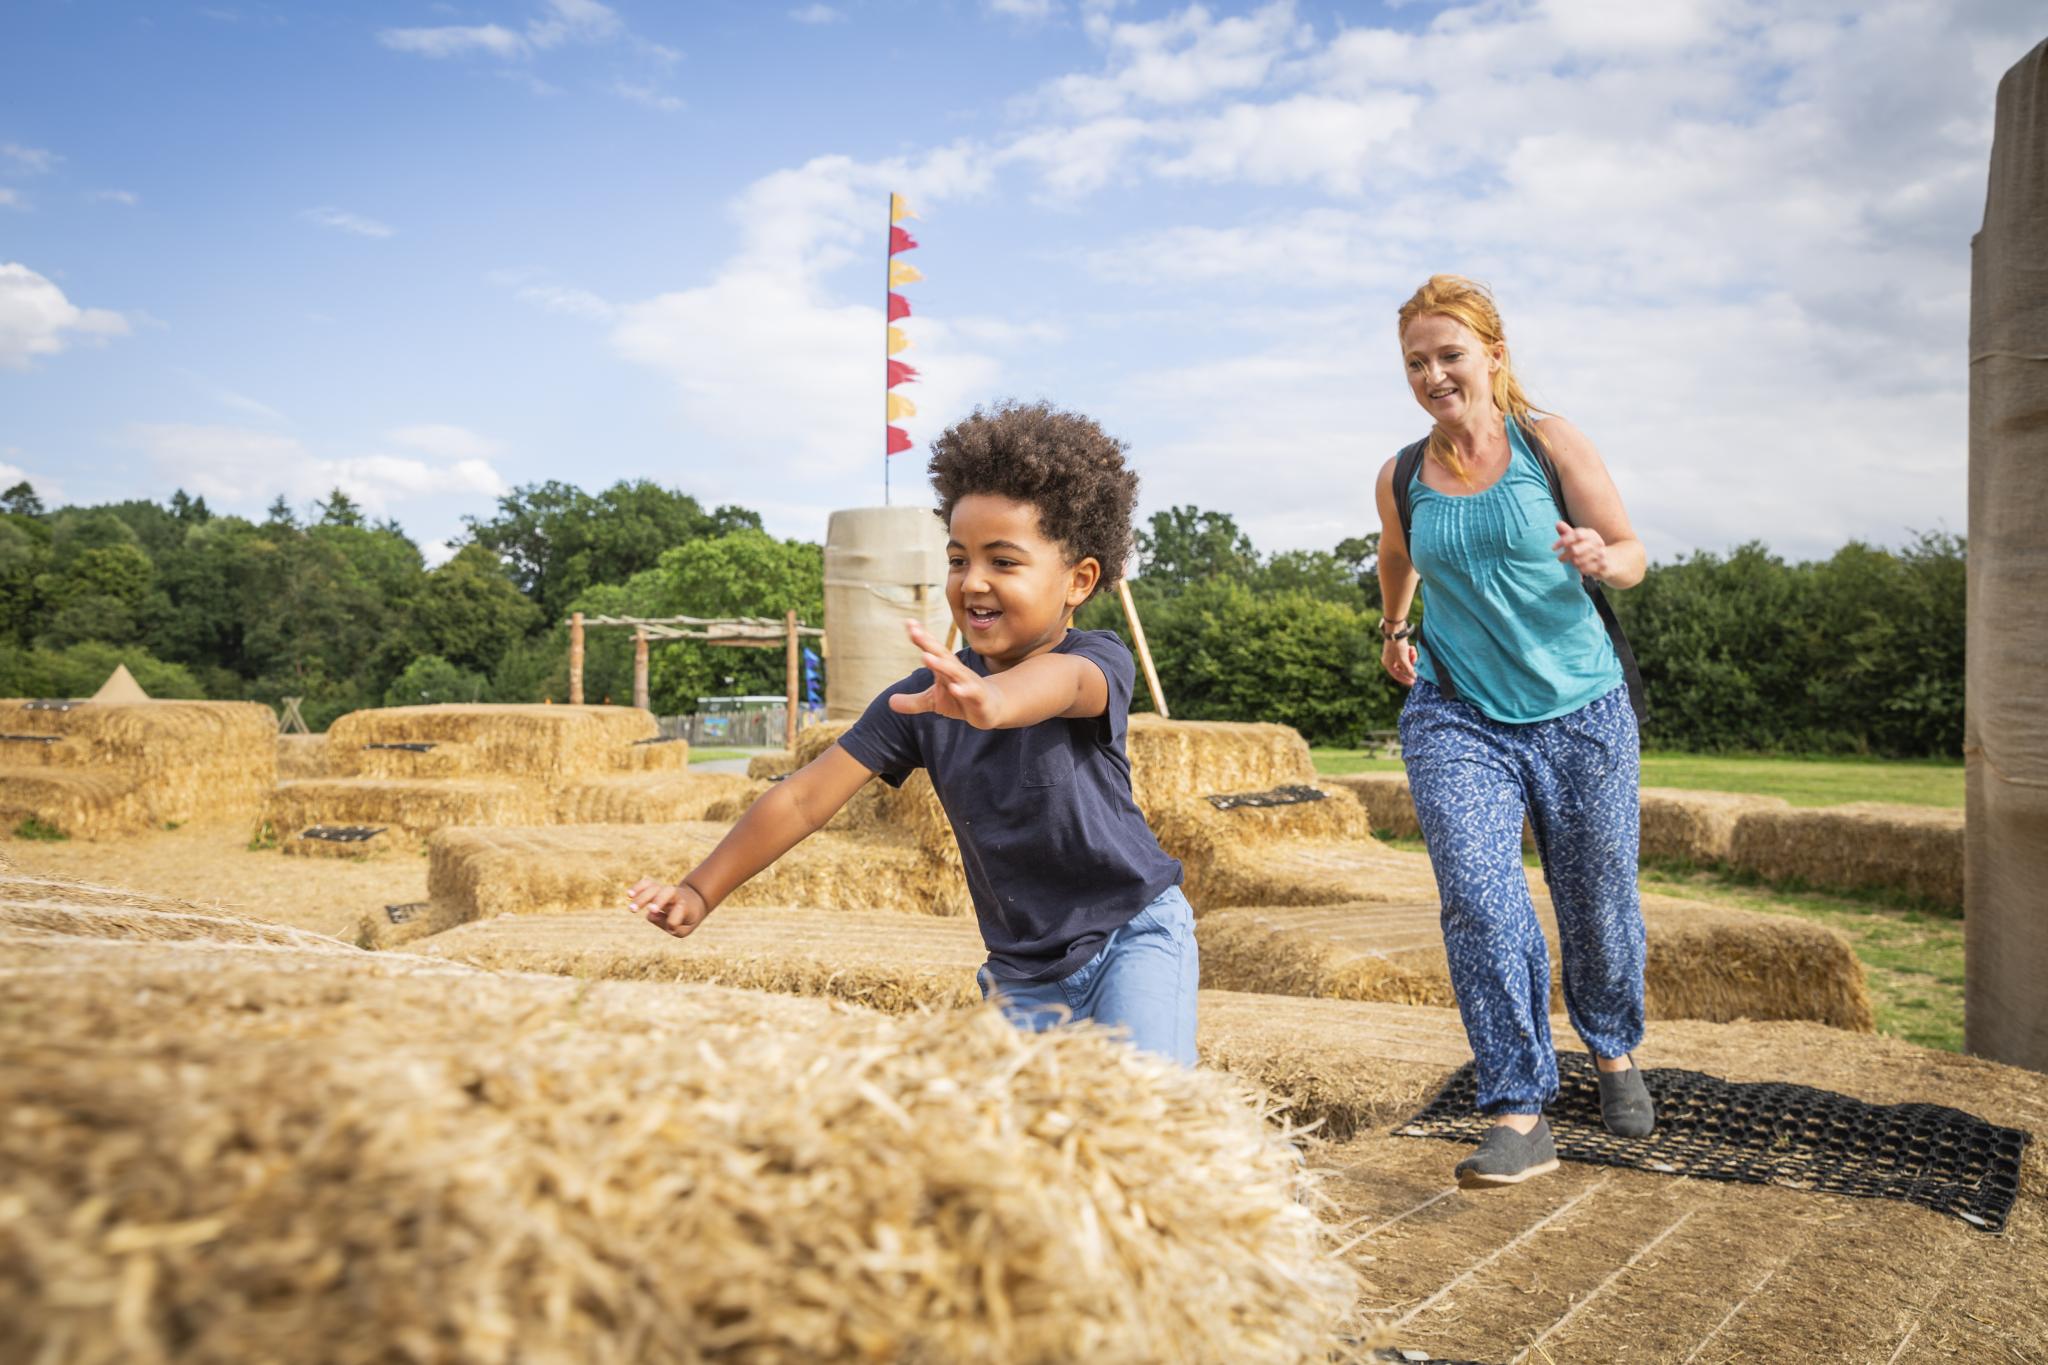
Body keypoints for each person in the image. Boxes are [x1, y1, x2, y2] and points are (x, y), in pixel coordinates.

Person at [626, 400, 1198, 1064]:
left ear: (1079, 579)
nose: (973, 580)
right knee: (1035, 1147)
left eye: (1003, 561)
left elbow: (1060, 687)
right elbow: (803, 798)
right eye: (959, 558)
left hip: (1133, 936)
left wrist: (991, 699)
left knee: (1149, 1111)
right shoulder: (920, 701)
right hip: (1023, 977)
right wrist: (700, 888)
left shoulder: (1098, 661)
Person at [1374, 274, 1655, 1188]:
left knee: (1598, 898)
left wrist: (1597, 557)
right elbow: (1395, 553)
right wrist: (1394, 627)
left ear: (1493, 354)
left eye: (1450, 355)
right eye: (1417, 361)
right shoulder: (1403, 474)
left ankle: (1612, 1049)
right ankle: (1518, 1108)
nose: (1434, 375)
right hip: (1458, 711)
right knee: (1480, 897)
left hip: (1581, 707)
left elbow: (1631, 552)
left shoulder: (1549, 441)